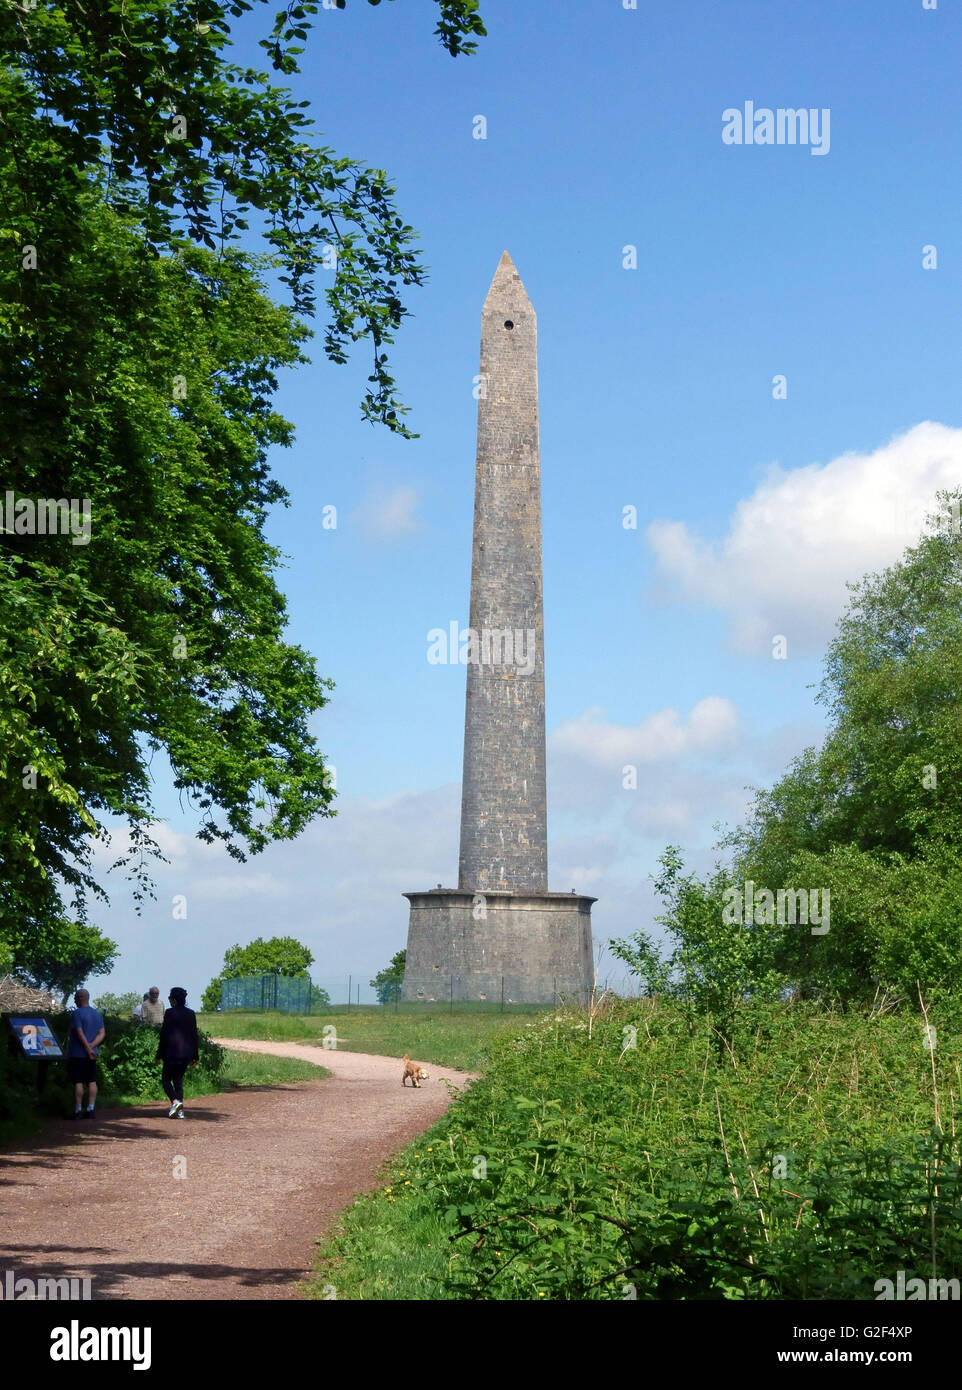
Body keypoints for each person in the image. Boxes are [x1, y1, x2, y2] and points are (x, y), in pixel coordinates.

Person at [155, 987, 199, 1119]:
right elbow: (194, 1036)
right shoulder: (191, 1013)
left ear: (173, 1000)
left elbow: (164, 1035)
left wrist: (159, 1055)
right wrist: (196, 1056)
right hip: (185, 1054)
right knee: (178, 1081)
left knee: (166, 1080)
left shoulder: (169, 1013)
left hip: (171, 1053)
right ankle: (180, 1112)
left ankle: (175, 1102)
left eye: (169, 998)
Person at [68, 989, 105, 1120]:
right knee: (91, 1080)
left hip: (78, 1053)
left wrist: (86, 1047)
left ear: (80, 998)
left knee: (78, 1081)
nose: (74, 1000)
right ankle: (91, 1108)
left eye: (75, 997)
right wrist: (92, 1047)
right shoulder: (97, 1014)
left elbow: (79, 1032)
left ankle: (78, 1109)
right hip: (92, 1055)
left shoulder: (76, 1014)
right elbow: (102, 1033)